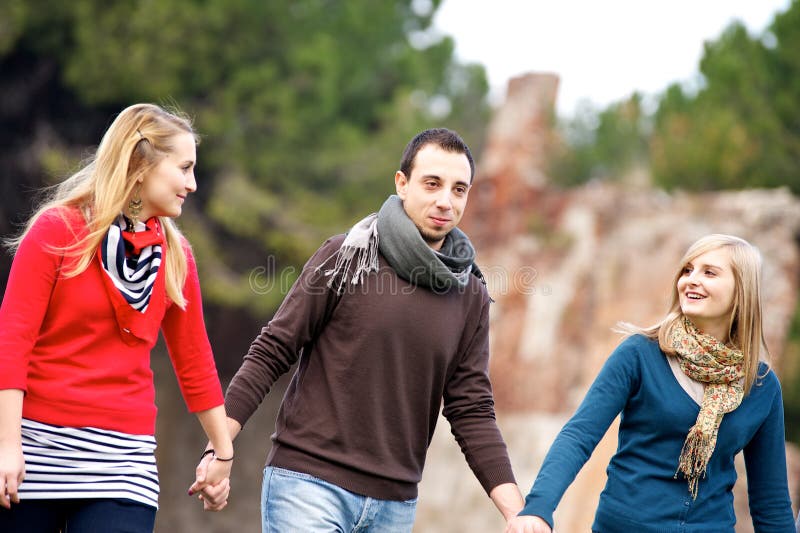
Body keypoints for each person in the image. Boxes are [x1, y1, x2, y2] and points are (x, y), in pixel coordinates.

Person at [198, 128, 524, 531]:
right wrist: (219, 449)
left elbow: (471, 408)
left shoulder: (470, 294)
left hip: (394, 507)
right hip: (308, 486)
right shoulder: (347, 257)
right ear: (402, 184)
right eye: (432, 184)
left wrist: (517, 512)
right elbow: (272, 351)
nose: (446, 200)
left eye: (459, 189)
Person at [0, 103, 233, 532]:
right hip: (33, 455)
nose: (193, 184)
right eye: (184, 168)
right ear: (141, 166)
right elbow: (12, 342)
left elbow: (196, 363)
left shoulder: (176, 257)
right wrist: (7, 445)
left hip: (124, 466)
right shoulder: (57, 230)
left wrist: (222, 454)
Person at [505, 234, 795, 532]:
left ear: (741, 291)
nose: (691, 280)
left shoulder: (761, 386)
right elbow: (579, 436)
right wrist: (538, 509)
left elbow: (770, 501)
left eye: (709, 272)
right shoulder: (639, 355)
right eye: (687, 270)